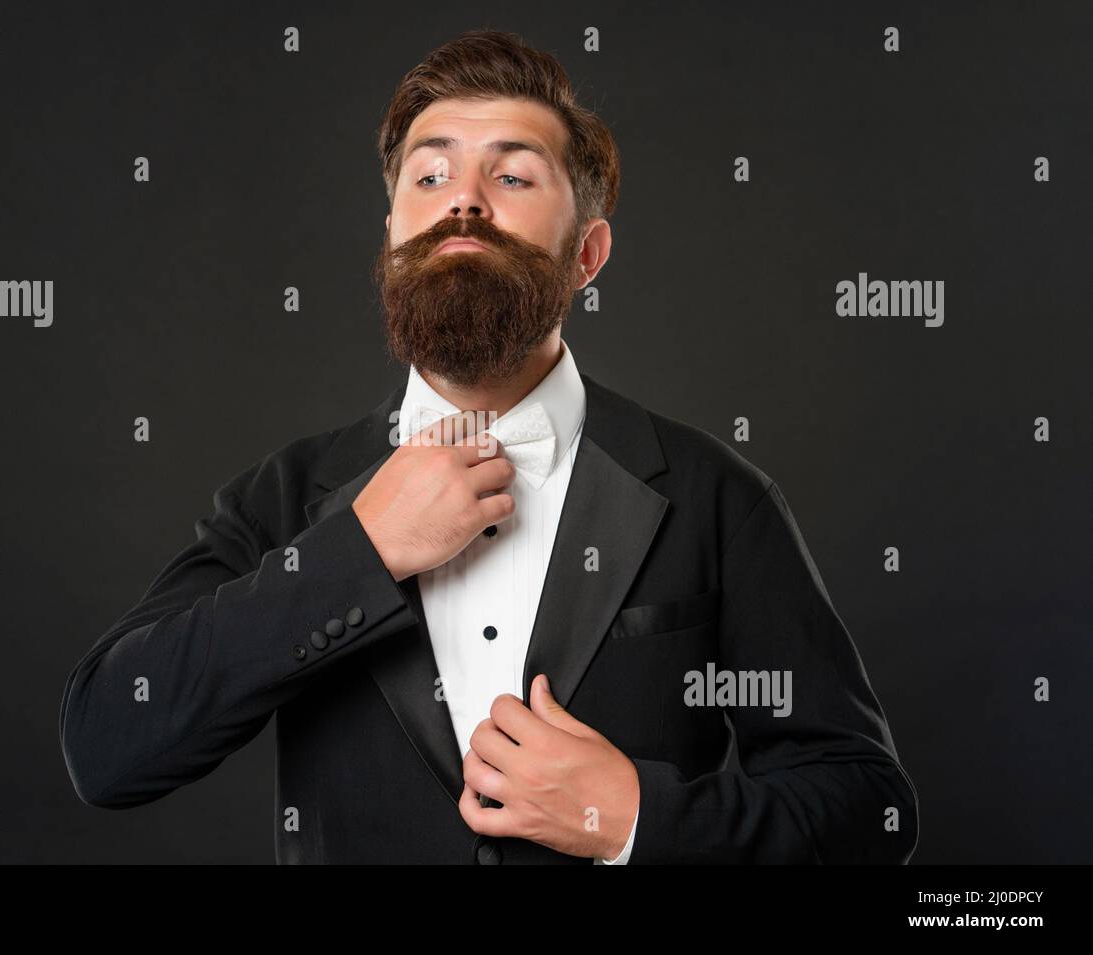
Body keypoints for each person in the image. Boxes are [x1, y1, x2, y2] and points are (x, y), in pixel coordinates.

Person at [59, 29, 918, 864]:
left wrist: (636, 819)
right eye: (430, 175)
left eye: (511, 174)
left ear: (587, 253)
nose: (463, 198)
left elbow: (867, 808)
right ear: (394, 235)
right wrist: (359, 551)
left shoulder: (719, 496)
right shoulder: (282, 498)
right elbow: (106, 745)